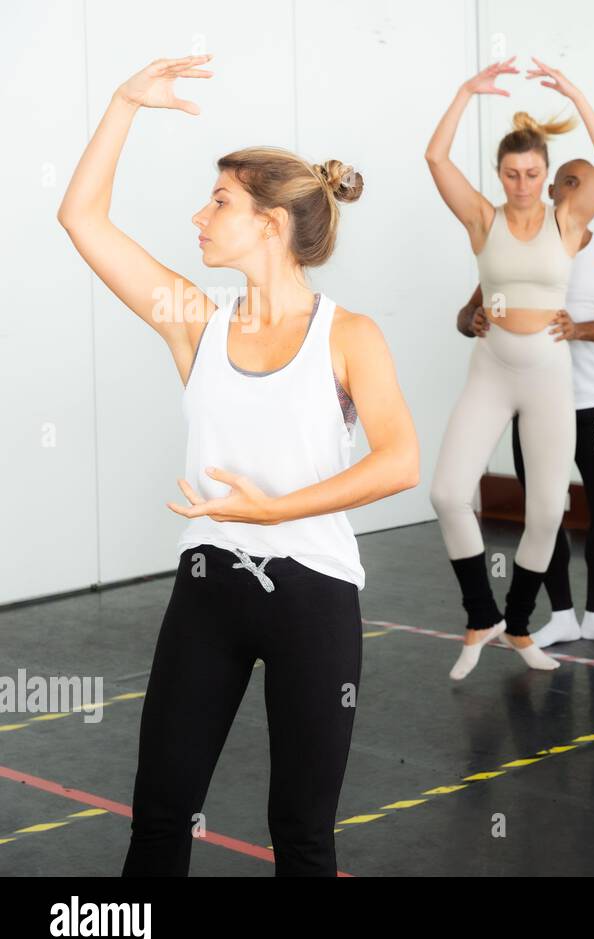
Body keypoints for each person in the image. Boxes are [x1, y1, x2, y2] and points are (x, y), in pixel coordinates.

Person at [57, 54, 420, 875]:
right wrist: (123, 103)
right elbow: (81, 217)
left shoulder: (350, 335)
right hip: (208, 590)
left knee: (301, 838)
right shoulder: (195, 322)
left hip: (315, 598)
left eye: (219, 200)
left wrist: (275, 512)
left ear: (269, 224)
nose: (198, 216)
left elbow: (401, 460)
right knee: (157, 822)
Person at [425, 56, 594, 679]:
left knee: (546, 513)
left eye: (532, 173)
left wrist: (576, 92)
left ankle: (517, 623)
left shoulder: (568, 221)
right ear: (500, 175)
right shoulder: (482, 219)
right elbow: (435, 159)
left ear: (546, 175)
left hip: (547, 375)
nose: (521, 184)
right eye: (511, 174)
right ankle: (479, 615)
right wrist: (463, 92)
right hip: (491, 368)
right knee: (449, 493)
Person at [455, 158, 594, 648]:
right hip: (536, 405)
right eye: (567, 182)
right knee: (544, 511)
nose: (574, 190)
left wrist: (577, 329)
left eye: (584, 183)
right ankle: (561, 614)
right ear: (552, 189)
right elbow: (467, 313)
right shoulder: (515, 249)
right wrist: (475, 318)